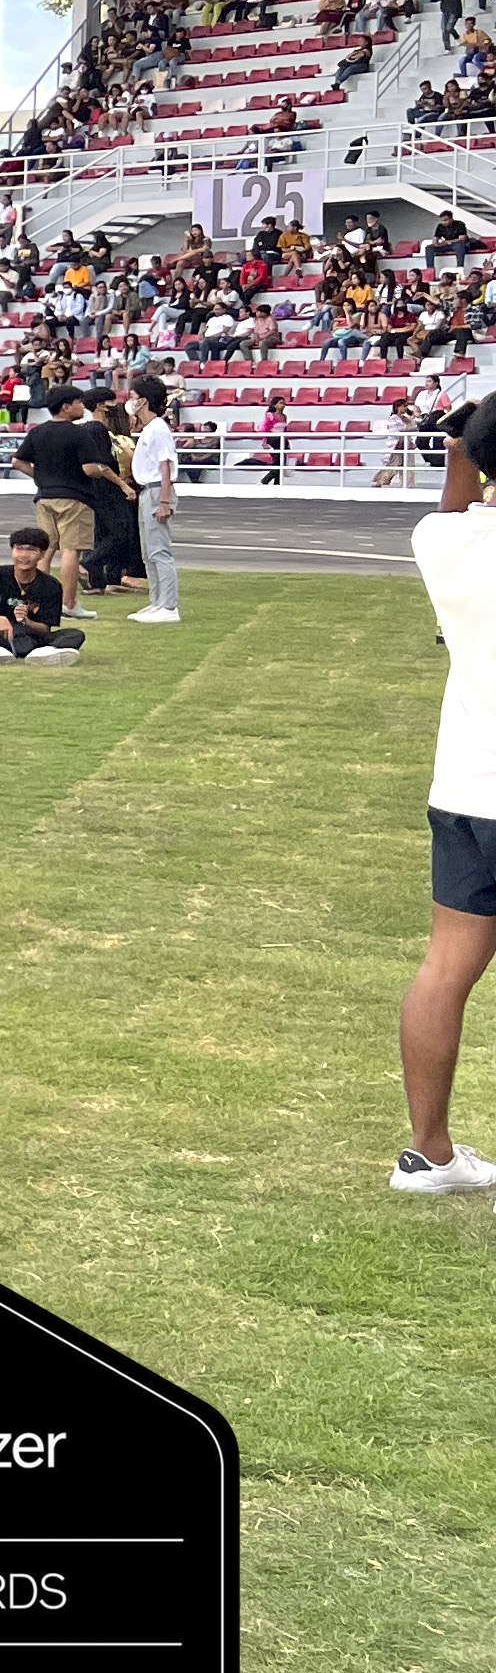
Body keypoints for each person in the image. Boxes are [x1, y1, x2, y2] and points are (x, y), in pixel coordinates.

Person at [399, 403, 496, 1198]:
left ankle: (430, 1154)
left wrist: (465, 447)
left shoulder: (446, 544)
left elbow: (455, 499)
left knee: (445, 969)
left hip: (468, 785)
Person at [17, 385, 106, 610]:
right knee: (71, 551)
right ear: (66, 407)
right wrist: (101, 470)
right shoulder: (79, 433)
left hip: (45, 497)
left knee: (45, 550)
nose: (82, 406)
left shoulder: (37, 432)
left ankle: (42, 602)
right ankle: (69, 603)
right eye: (78, 402)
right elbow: (88, 468)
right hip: (75, 498)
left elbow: (17, 461)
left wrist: (40, 476)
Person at [0, 529, 86, 664]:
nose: (24, 555)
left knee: (75, 634)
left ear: (42, 554)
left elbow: (45, 628)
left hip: (32, 638)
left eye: (31, 550)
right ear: (12, 551)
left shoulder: (51, 585)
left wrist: (26, 621)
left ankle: (43, 654)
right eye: (19, 549)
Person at [129, 370, 184, 626]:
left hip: (155, 490)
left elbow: (165, 465)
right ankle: (157, 601)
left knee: (159, 550)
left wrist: (164, 501)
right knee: (148, 552)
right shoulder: (150, 428)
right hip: (147, 490)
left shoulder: (158, 429)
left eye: (134, 397)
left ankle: (169, 605)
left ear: (144, 401)